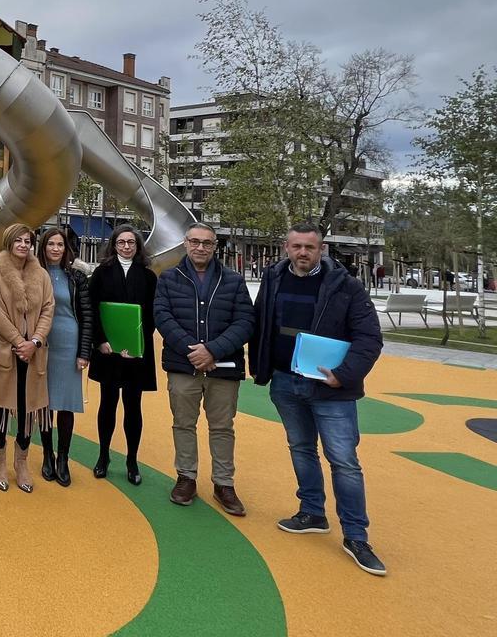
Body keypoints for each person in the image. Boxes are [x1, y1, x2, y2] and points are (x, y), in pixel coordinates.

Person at [251, 220, 386, 575]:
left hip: (329, 388)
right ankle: (312, 511)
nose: (303, 253)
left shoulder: (346, 286)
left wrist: (344, 375)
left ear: (321, 248)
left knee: (343, 461)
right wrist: (259, 367)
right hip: (284, 381)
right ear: (286, 247)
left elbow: (369, 337)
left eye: (310, 247)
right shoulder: (273, 278)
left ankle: (356, 535)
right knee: (300, 448)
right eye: (297, 246)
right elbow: (260, 322)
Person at [155, 221, 255, 515]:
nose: (200, 247)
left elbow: (245, 321)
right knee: (183, 423)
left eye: (207, 243)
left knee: (222, 426)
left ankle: (224, 483)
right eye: (195, 241)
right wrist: (193, 350)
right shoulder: (169, 278)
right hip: (183, 365)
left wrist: (213, 349)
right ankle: (186, 476)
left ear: (215, 246)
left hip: (223, 367)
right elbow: (163, 316)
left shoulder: (233, 280)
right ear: (185, 243)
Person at [0, 223, 54, 493]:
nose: (24, 245)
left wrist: (34, 342)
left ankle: (21, 462)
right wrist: (18, 341)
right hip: (7, 350)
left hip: (33, 354)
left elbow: (48, 309)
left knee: (28, 407)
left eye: (28, 241)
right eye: (19, 241)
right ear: (9, 242)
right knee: (2, 406)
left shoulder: (42, 275)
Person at [87, 225, 157, 486]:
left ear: (138, 246)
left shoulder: (149, 277)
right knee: (107, 404)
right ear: (113, 245)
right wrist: (101, 341)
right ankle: (103, 456)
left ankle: (131, 460)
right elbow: (92, 309)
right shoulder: (101, 273)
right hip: (107, 352)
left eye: (131, 242)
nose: (126, 246)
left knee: (133, 406)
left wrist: (135, 344)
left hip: (136, 354)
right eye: (121, 242)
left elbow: (151, 315)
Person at [36, 227, 92, 487]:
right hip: (43, 343)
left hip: (69, 342)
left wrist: (84, 352)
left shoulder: (76, 277)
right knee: (44, 403)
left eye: (60, 245)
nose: (55, 249)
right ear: (43, 248)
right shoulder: (35, 274)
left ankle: (63, 458)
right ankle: (47, 454)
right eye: (51, 245)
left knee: (67, 404)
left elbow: (86, 315)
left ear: (66, 249)